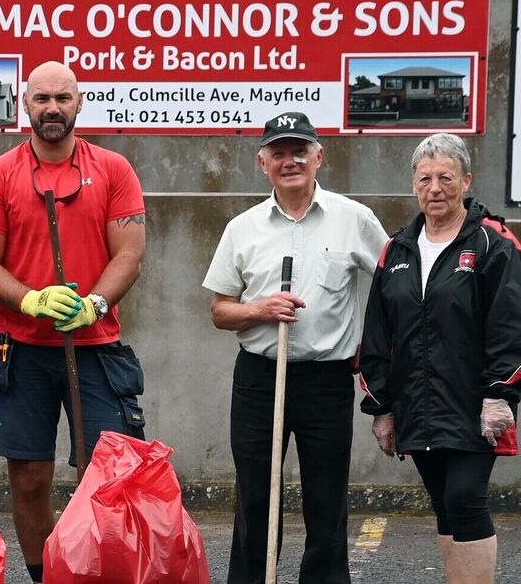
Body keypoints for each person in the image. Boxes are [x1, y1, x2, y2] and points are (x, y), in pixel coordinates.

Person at [0, 61, 147, 584]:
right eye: (41, 98)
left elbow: (129, 254)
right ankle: (47, 576)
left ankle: (99, 572)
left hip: (95, 347)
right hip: (19, 349)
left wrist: (93, 304)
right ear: (24, 104)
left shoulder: (114, 170)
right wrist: (30, 300)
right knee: (27, 478)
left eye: (62, 98)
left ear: (79, 103)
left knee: (107, 478)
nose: (52, 108)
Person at [203, 111, 388, 584]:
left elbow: (394, 287)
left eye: (300, 151)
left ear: (319, 157)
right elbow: (220, 311)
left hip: (326, 380)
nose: (291, 161)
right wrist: (259, 309)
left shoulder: (354, 219)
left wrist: (378, 351)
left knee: (326, 501)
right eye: (279, 153)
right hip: (259, 379)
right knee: (256, 499)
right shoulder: (242, 228)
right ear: (262, 162)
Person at [360, 133, 521, 584]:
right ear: (413, 185)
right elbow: (379, 334)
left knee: (467, 498)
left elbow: (511, 326)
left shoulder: (494, 243)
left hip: (474, 404)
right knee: (446, 504)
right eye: (425, 178)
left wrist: (499, 394)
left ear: (466, 181)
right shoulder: (397, 250)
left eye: (446, 177)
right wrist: (382, 407)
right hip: (417, 403)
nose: (435, 188)